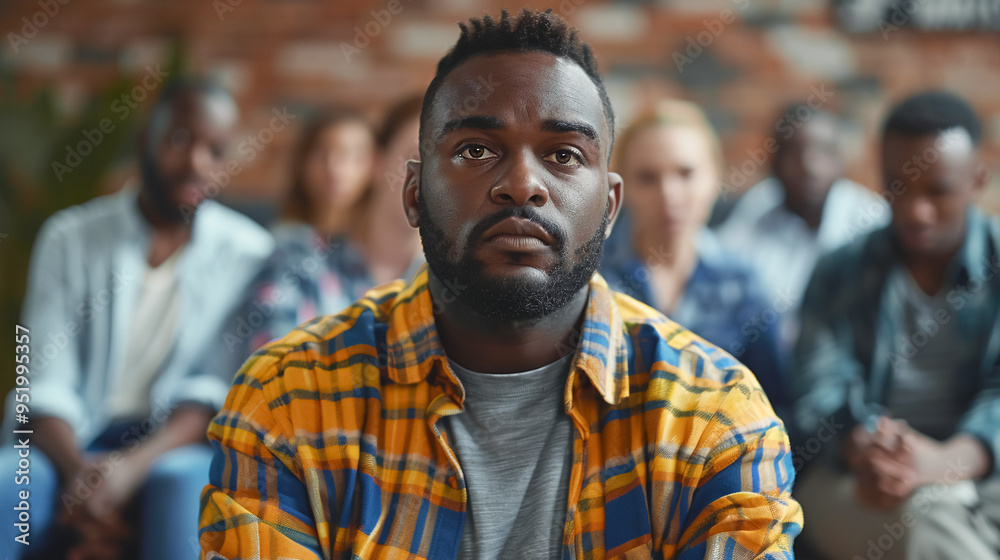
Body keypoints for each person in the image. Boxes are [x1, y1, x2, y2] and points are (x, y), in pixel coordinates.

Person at [200, 9, 801, 560]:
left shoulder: (714, 419)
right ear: (414, 194)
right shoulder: (287, 402)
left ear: (610, 206)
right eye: (476, 148)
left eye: (563, 155)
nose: (521, 184)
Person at [0, 79, 273, 560]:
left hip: (172, 444)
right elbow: (41, 377)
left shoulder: (247, 253)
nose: (196, 163)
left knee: (180, 485)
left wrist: (128, 471)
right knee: (10, 484)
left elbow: (213, 391)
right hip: (70, 438)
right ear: (146, 135)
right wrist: (81, 476)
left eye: (215, 149)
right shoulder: (69, 237)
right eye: (180, 139)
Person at [792, 91, 1000, 559]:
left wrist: (946, 463)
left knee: (935, 519)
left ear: (977, 180)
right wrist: (866, 447)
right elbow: (817, 393)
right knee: (925, 523)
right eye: (898, 188)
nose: (915, 212)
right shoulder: (840, 272)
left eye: (938, 191)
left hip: (983, 468)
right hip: (861, 474)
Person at [600, 99, 787, 414]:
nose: (669, 194)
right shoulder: (594, 276)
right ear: (623, 187)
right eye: (648, 177)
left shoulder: (741, 283)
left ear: (714, 178)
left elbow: (776, 405)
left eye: (685, 173)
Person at [230, 96, 424, 356]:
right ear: (376, 163)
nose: (429, 178)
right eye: (414, 158)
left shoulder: (448, 287)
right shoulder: (298, 258)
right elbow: (272, 374)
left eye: (451, 160)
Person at [717, 104, 888, 351]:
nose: (810, 165)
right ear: (773, 161)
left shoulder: (870, 219)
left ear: (841, 159)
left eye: (824, 151)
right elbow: (720, 268)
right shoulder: (759, 206)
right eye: (795, 152)